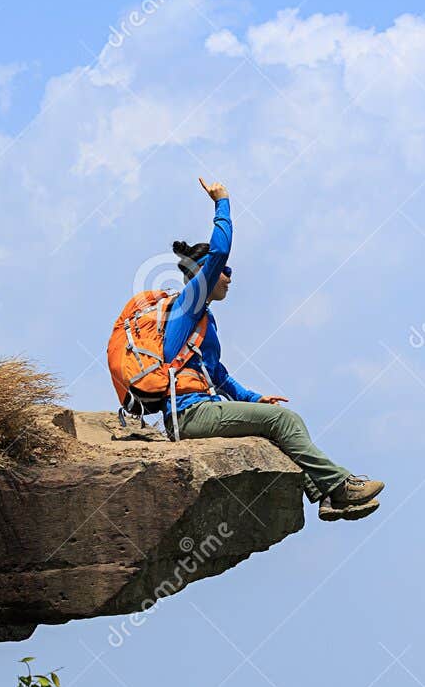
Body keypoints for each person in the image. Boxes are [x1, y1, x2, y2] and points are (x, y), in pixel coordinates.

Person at [163, 177, 384, 522]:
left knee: (277, 420)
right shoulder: (189, 302)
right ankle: (340, 486)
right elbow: (219, 251)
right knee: (284, 420)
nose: (230, 278)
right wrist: (222, 201)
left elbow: (217, 373)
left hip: (201, 408)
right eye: (226, 273)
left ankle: (326, 497)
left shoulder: (202, 319)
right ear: (209, 274)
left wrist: (252, 399)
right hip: (189, 414)